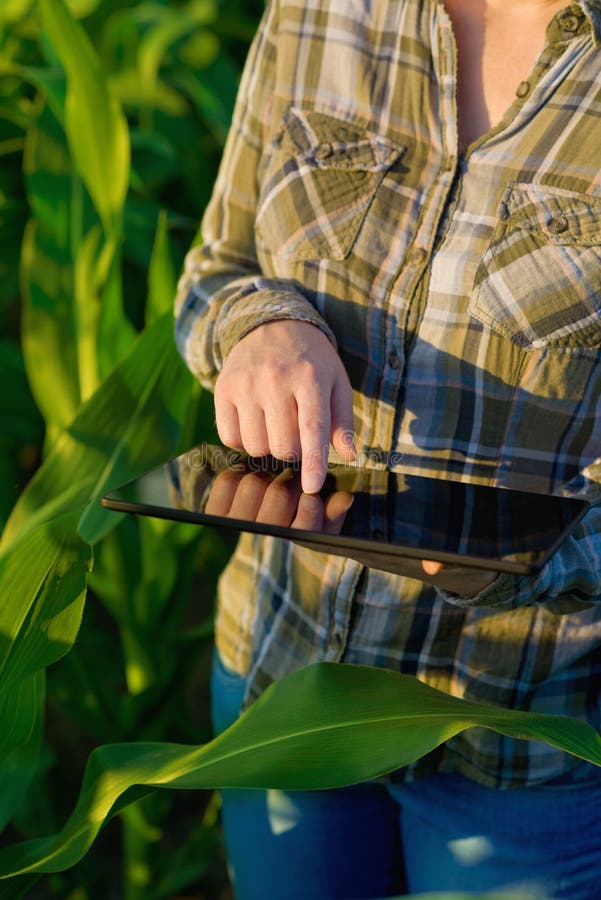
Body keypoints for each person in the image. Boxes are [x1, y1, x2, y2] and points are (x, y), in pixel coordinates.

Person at [174, 0, 601, 896]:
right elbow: (217, 264)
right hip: (282, 681)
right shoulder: (322, 10)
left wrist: (535, 561)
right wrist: (260, 325)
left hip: (524, 736)